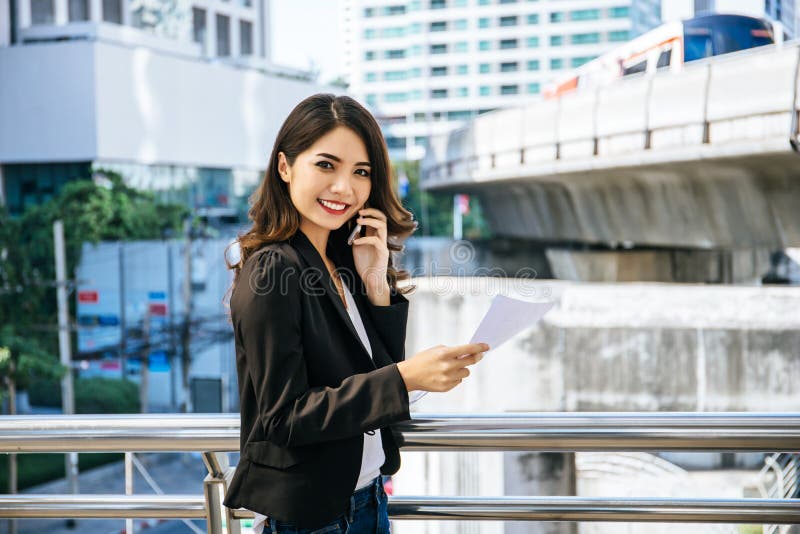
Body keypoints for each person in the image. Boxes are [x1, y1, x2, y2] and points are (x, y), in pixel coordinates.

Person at [223, 93, 489, 534]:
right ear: (285, 168)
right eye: (326, 165)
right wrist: (406, 378)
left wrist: (374, 284)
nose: (344, 187)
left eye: (360, 172)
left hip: (367, 501)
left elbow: (371, 382)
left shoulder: (341, 266)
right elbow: (284, 416)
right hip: (313, 519)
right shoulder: (273, 269)